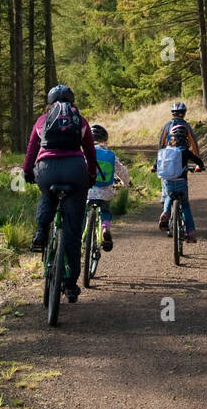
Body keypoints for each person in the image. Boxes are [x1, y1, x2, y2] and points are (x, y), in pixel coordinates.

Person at [23, 84, 96, 303]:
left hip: (47, 170)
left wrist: (27, 172)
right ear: (72, 102)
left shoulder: (42, 120)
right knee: (73, 232)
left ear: (50, 102)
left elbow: (31, 148)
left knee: (47, 195)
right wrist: (90, 175)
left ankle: (40, 233)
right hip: (75, 170)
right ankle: (71, 285)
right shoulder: (80, 122)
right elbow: (90, 152)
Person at [153, 122, 204, 243]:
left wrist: (154, 168)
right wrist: (199, 167)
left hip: (169, 183)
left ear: (171, 138)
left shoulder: (166, 150)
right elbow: (198, 161)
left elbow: (157, 162)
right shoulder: (185, 151)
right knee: (185, 205)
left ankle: (165, 213)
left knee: (169, 197)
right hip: (181, 183)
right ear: (185, 139)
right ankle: (190, 233)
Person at [88, 124, 130, 252]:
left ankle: (81, 233)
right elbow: (121, 170)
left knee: (83, 212)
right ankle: (105, 227)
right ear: (105, 140)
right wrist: (125, 183)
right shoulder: (110, 155)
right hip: (105, 192)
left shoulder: (85, 152)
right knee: (105, 211)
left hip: (88, 192)